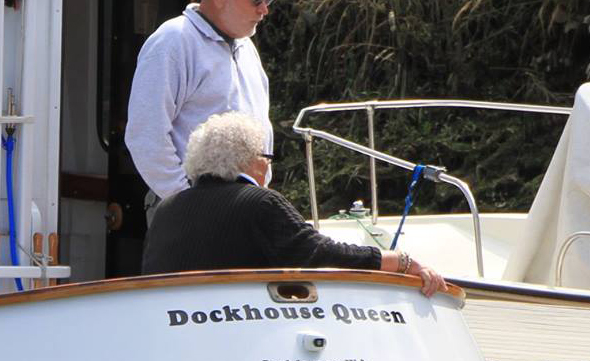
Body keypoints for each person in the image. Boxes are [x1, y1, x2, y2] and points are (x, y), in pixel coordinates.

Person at [142, 112, 445, 296]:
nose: (268, 168)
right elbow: (322, 254)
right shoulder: (260, 203)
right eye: (266, 158)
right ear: (250, 161)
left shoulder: (167, 210)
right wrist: (402, 262)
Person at [125, 0, 273, 219]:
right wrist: (188, 202)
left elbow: (262, 126)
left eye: (267, 0)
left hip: (243, 208)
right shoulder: (173, 41)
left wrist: (258, 195)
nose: (265, 10)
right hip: (187, 212)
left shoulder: (246, 47)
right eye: (257, 0)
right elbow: (146, 137)